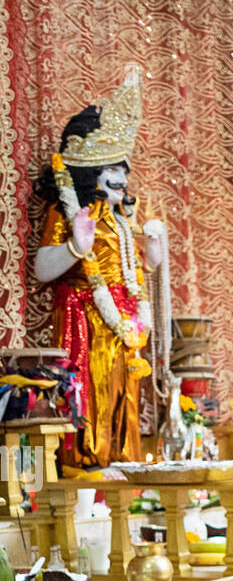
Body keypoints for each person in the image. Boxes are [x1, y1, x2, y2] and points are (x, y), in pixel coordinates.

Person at [33, 66, 164, 470]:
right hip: (86, 319)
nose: (122, 181)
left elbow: (145, 270)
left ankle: (121, 473)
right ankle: (88, 475)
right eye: (113, 173)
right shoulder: (69, 211)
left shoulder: (124, 218)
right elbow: (41, 270)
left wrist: (156, 246)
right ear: (92, 175)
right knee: (93, 402)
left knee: (124, 400)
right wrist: (77, 245)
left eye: (124, 173)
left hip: (126, 324)